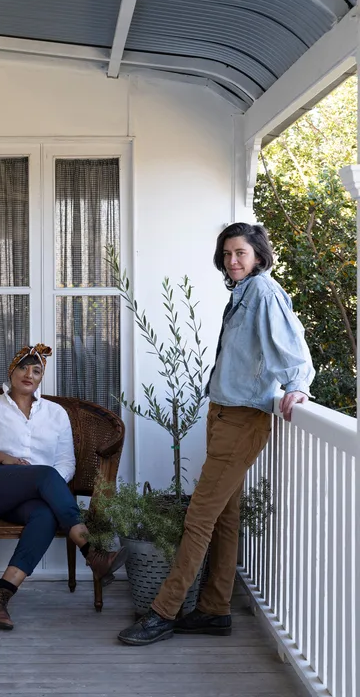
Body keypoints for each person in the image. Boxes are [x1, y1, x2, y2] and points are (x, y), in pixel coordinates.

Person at [118, 222, 315, 646]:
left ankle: (163, 612)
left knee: (199, 517)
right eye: (227, 254)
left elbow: (291, 345)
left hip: (242, 419)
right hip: (224, 415)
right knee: (225, 515)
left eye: (241, 253)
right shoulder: (241, 295)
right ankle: (214, 610)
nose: (233, 260)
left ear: (258, 256)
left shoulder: (263, 292)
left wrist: (297, 386)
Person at [0, 343, 127, 630]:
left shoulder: (56, 413)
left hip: (31, 493)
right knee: (44, 475)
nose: (29, 375)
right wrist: (1, 457)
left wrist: (45, 484)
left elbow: (66, 463)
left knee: (44, 514)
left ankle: (0, 596)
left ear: (42, 377)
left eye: (36, 370)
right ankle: (92, 552)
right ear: (12, 370)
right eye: (23, 367)